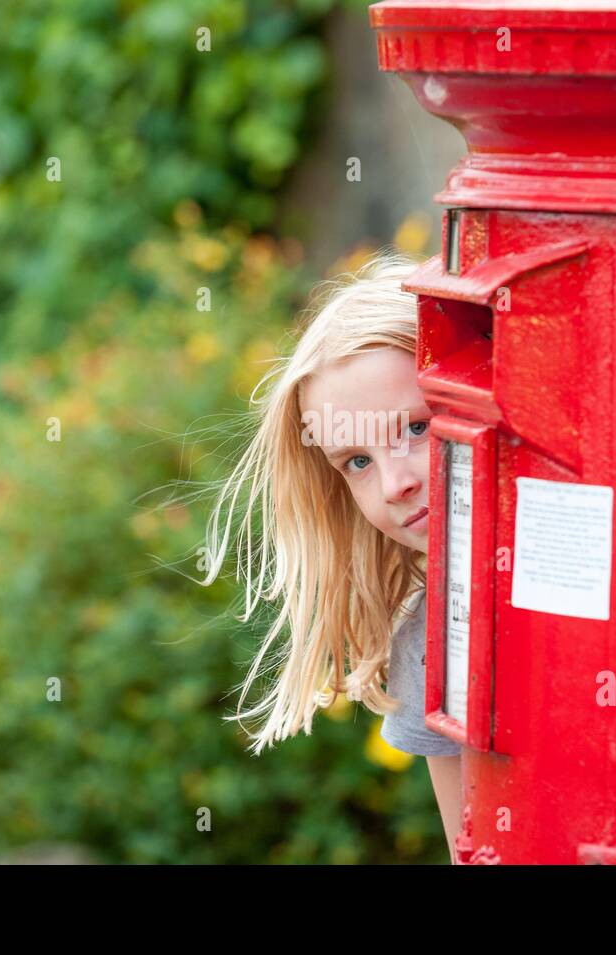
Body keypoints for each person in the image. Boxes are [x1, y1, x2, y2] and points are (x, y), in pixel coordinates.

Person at [197, 247, 463, 863]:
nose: (395, 482)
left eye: (417, 428)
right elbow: (470, 849)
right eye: (358, 462)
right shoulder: (428, 640)